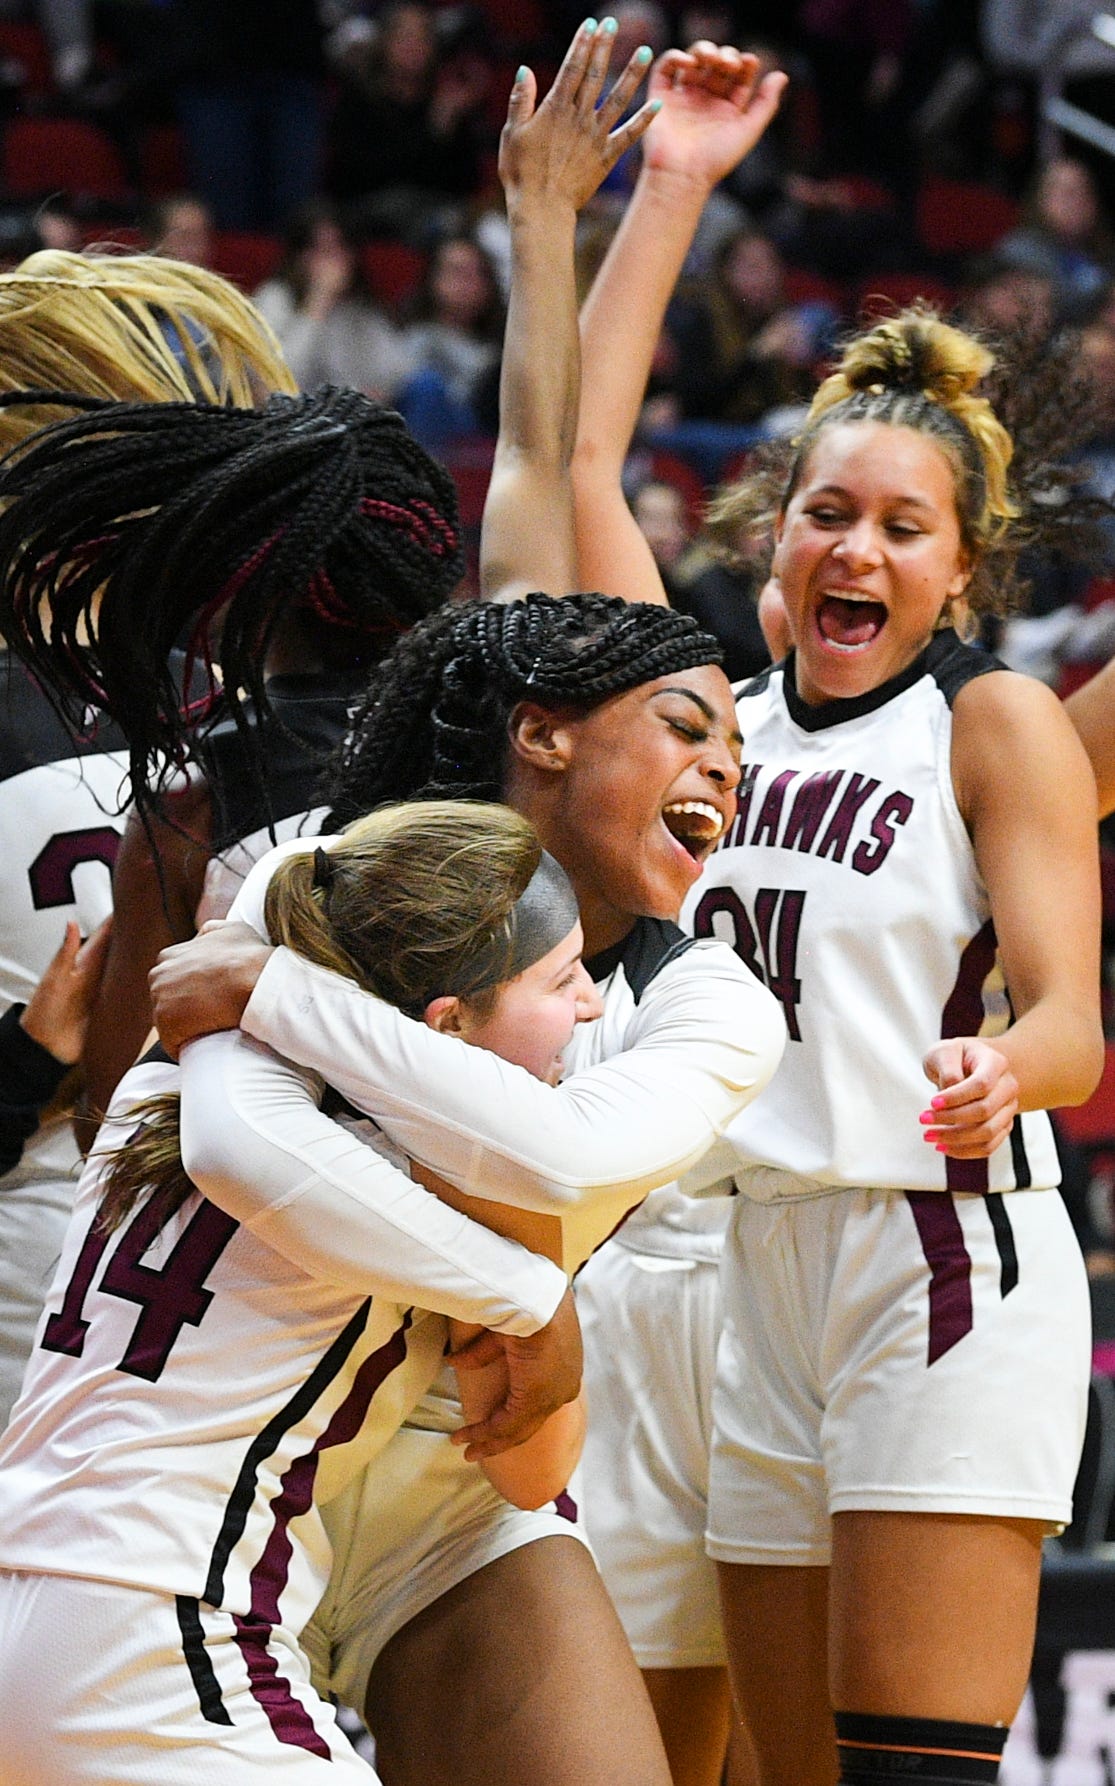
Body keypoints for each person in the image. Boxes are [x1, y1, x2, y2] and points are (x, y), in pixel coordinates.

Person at [145, 32, 787, 1786]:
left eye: (741, 742)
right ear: (543, 727)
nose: (726, 769)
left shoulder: (711, 999)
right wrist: (564, 218)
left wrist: (531, 1314)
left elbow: (555, 1190)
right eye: (688, 724)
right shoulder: (322, 877)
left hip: (454, 1477)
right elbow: (553, 456)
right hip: (205, 1466)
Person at [573, 168, 1103, 1780]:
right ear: (769, 535)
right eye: (825, 511)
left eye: (898, 524)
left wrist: (1007, 1066)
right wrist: (647, 194)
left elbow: (1072, 1019)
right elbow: (577, 466)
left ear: (956, 568)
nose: (852, 546)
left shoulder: (988, 722)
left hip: (935, 1259)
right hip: (754, 1274)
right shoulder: (707, 722)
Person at [0, 800, 598, 1784]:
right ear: (442, 1024)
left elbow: (302, 871)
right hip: (163, 1638)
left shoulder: (177, 1069)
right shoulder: (414, 1165)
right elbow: (530, 1471)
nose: (589, 1006)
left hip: (40, 1604)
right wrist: (534, 1292)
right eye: (559, 978)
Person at [254, 202, 418, 401]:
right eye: (323, 250)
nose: (334, 261)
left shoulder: (357, 306)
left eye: (341, 249)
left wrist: (376, 393)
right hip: (296, 422)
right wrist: (318, 302)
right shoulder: (275, 298)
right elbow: (280, 385)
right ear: (299, 256)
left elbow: (401, 371)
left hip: (354, 420)